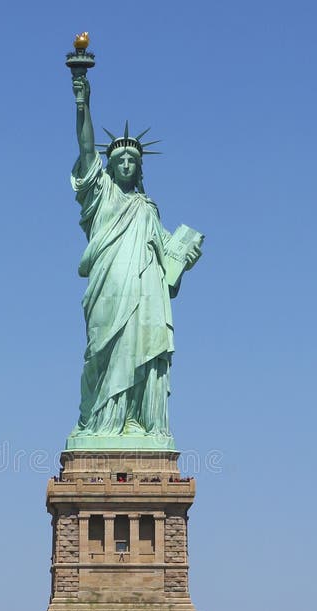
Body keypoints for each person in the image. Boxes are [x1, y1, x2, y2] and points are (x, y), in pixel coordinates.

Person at [68, 73, 202, 444]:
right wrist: (82, 103)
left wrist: (185, 256)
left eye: (132, 160)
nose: (126, 164)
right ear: (109, 167)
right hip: (109, 287)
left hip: (146, 293)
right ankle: (100, 421)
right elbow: (85, 150)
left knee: (141, 346)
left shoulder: (147, 208)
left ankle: (134, 420)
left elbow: (167, 256)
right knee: (105, 350)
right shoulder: (100, 196)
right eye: (119, 159)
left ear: (139, 168)